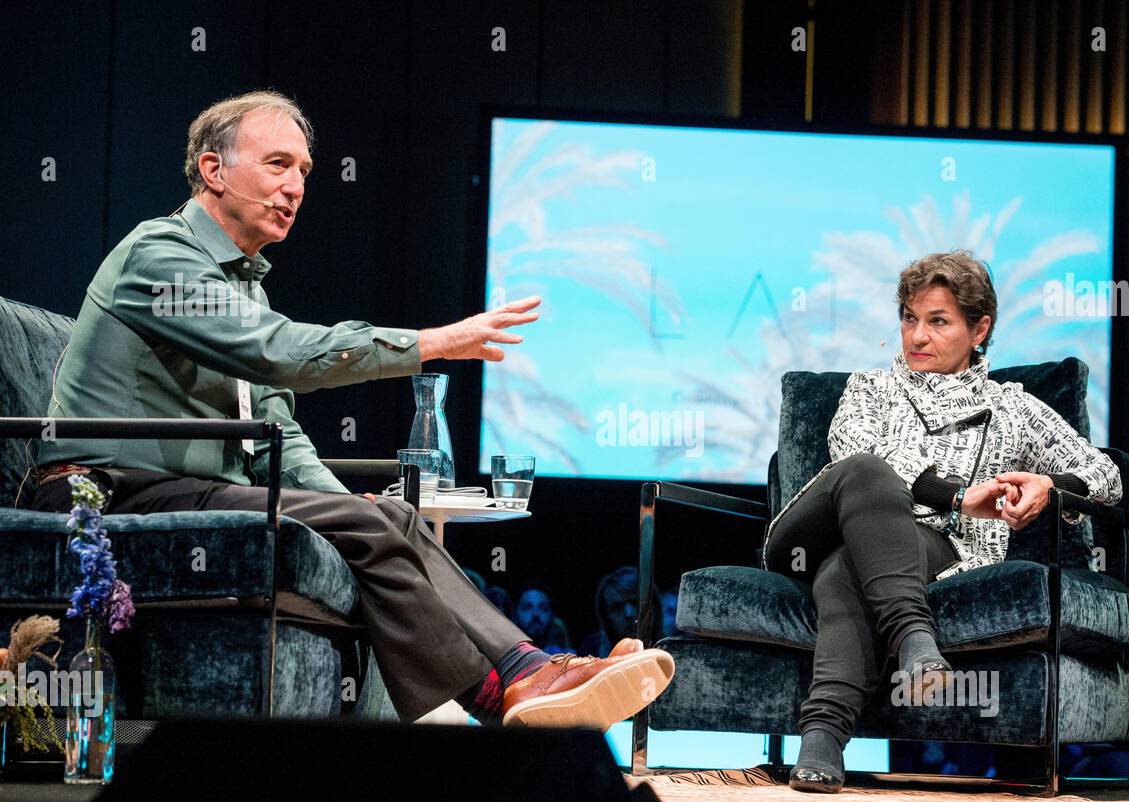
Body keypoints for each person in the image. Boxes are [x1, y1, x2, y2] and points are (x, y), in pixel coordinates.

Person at [24, 90, 673, 731]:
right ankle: (499, 694)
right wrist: (430, 342)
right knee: (372, 522)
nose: (296, 186)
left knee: (387, 515)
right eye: (278, 164)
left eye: (304, 171)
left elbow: (278, 425)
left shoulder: (241, 284)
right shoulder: (157, 258)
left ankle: (527, 667)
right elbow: (279, 352)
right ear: (214, 171)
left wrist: (348, 507)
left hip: (185, 492)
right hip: (103, 494)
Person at [766, 250, 1124, 793]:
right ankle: (914, 635)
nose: (917, 337)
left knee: (849, 569)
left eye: (937, 321)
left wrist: (1050, 485)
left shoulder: (1013, 408)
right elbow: (857, 456)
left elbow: (1106, 474)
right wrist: (957, 498)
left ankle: (821, 741)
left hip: (927, 550)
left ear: (980, 329)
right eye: (910, 319)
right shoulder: (871, 388)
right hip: (815, 534)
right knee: (865, 473)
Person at [579, 566, 660, 658]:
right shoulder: (591, 649)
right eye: (617, 608)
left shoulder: (672, 647)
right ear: (606, 616)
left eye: (635, 603)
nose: (628, 613)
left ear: (654, 605)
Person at [513, 579, 573, 654]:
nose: (536, 614)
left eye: (543, 608)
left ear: (552, 614)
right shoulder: (503, 659)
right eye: (527, 607)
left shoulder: (570, 660)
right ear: (515, 613)